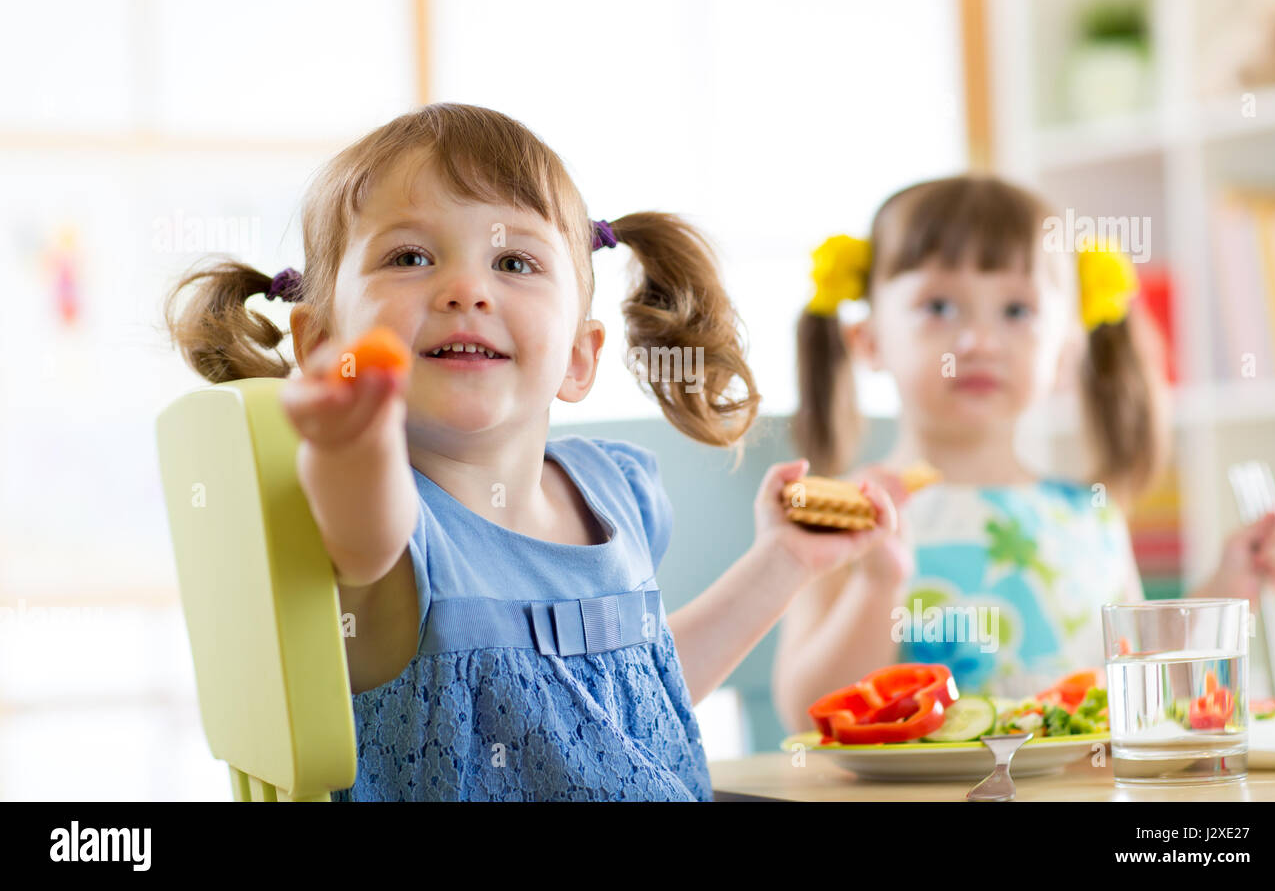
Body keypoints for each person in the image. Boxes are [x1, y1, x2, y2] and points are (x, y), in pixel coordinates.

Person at [163, 102, 897, 799]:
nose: (465, 288)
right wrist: (351, 433)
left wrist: (784, 563)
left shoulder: (617, 491)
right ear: (323, 343)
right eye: (410, 255)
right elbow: (363, 525)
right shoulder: (388, 528)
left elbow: (641, 704)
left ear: (579, 357)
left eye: (514, 263)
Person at [772, 174, 1275, 732]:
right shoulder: (847, 514)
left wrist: (1229, 587)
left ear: (1067, 350)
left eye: (1017, 311)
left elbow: (1148, 687)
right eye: (940, 306)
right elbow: (808, 719)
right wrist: (877, 585)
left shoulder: (1089, 514)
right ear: (869, 339)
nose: (980, 341)